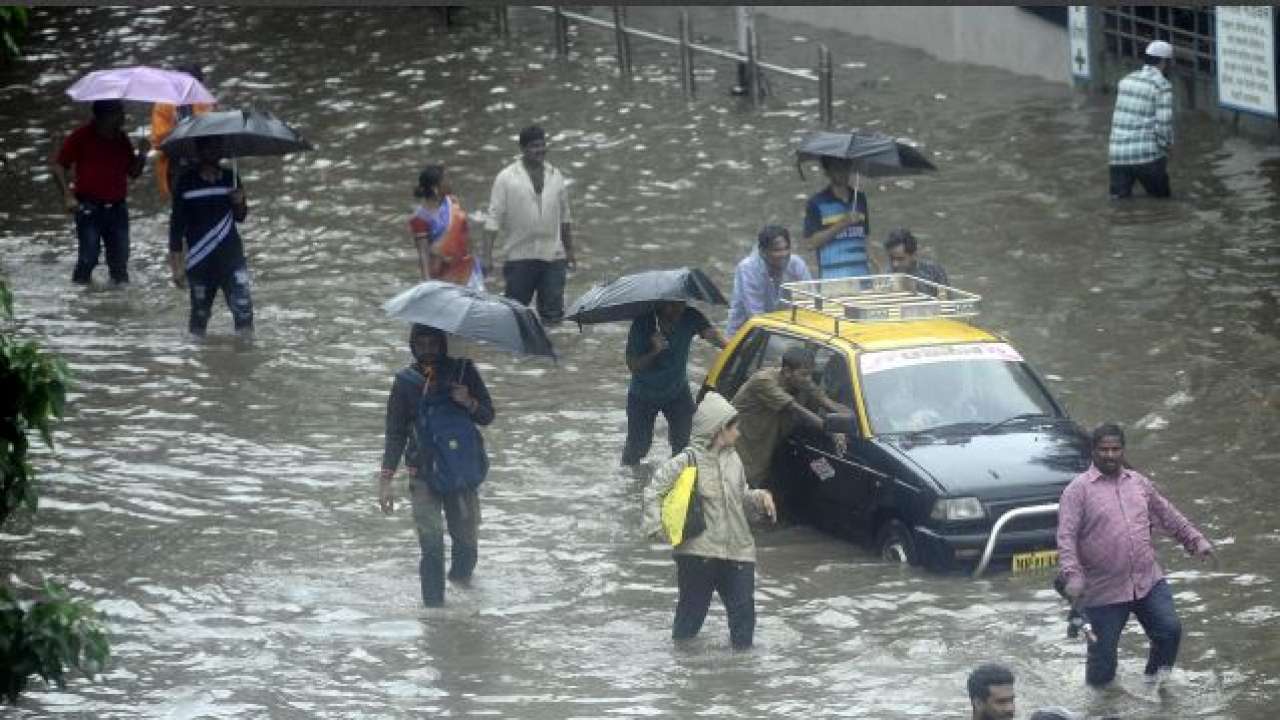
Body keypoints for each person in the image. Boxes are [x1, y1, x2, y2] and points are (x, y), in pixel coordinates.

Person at [1057, 423, 1215, 688]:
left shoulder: (1139, 483)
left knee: (1169, 631)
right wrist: (1073, 576)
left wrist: (1195, 540)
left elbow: (1167, 514)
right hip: (1102, 590)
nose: (1110, 455)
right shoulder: (1077, 491)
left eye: (1115, 449)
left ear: (1123, 450)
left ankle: (1155, 687)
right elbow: (1066, 538)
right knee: (1103, 665)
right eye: (1104, 450)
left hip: (1147, 580)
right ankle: (1099, 706)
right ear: (1093, 451)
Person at [642, 391, 777, 649]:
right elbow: (653, 491)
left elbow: (741, 496)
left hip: (738, 551)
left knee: (744, 621)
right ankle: (683, 666)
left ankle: (742, 671)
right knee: (690, 621)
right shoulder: (686, 460)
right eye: (734, 428)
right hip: (698, 553)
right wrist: (656, 527)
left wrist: (760, 497)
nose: (738, 433)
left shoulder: (734, 460)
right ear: (719, 429)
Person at [379, 324, 494, 608]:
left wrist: (468, 401)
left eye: (433, 344)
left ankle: (463, 591)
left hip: (461, 473)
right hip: (422, 475)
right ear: (413, 347)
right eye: (421, 345)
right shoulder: (405, 382)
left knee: (466, 543)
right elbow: (395, 433)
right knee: (431, 546)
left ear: (442, 345)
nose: (428, 350)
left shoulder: (464, 372)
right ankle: (434, 614)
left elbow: (487, 416)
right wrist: (386, 480)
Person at [731, 347, 847, 518]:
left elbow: (824, 400)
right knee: (737, 494)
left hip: (774, 443)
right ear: (786, 372)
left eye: (810, 374)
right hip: (743, 443)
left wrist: (846, 419)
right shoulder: (764, 381)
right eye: (804, 374)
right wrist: (831, 428)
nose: (808, 379)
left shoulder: (800, 381)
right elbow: (795, 408)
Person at [484, 125, 575, 324]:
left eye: (542, 145)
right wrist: (487, 256)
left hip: (553, 255)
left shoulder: (555, 175)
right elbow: (493, 218)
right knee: (515, 315)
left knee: (553, 315)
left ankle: (551, 344)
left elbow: (565, 217)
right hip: (519, 256)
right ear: (523, 149)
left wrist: (569, 251)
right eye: (534, 146)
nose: (540, 150)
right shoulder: (506, 178)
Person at [51, 99, 147, 285]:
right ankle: (79, 295)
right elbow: (59, 167)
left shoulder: (122, 139)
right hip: (89, 207)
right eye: (119, 113)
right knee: (88, 258)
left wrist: (142, 154)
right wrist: (67, 196)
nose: (123, 117)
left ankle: (118, 300)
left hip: (118, 208)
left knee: (120, 262)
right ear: (103, 116)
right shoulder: (81, 136)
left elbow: (133, 173)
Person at [623, 300, 727, 468]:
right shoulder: (643, 323)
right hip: (643, 394)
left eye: (681, 304)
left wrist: (734, 348)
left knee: (685, 444)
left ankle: (677, 476)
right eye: (671, 305)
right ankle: (629, 480)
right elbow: (633, 365)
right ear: (660, 304)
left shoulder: (690, 316)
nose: (678, 309)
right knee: (638, 448)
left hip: (677, 392)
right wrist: (654, 351)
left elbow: (712, 335)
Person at [168, 136, 252, 337]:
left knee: (244, 312)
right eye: (208, 148)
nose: (214, 152)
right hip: (200, 260)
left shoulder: (230, 178)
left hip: (232, 259)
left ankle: (246, 351)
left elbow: (241, 217)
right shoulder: (186, 182)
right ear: (199, 151)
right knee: (200, 316)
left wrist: (239, 202)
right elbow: (176, 227)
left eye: (217, 147)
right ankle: (198, 354)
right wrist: (177, 267)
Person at [1108, 40, 1175, 199]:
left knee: (1119, 203)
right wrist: (1167, 146)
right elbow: (1164, 124)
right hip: (1147, 155)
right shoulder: (1162, 86)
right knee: (1162, 202)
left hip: (1117, 155)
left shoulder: (1126, 80)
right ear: (1164, 62)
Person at [725, 224, 812, 337]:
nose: (783, 254)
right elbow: (756, 314)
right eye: (777, 250)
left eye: (786, 248)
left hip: (782, 328)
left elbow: (809, 302)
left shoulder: (796, 264)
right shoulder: (748, 269)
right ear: (763, 251)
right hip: (745, 332)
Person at [409, 165, 483, 289]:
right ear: (435, 188)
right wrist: (427, 283)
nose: (450, 182)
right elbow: (423, 253)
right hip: (444, 273)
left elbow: (464, 233)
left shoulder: (452, 202)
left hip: (467, 268)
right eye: (446, 179)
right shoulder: (420, 218)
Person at [803, 156, 876, 279]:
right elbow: (810, 243)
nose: (842, 172)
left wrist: (875, 263)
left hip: (862, 274)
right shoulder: (816, 203)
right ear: (827, 172)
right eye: (837, 168)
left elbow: (866, 236)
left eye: (845, 166)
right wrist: (842, 224)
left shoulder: (860, 198)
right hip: (832, 277)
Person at [150, 62, 214, 200]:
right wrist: (178, 129)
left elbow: (214, 136)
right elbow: (159, 140)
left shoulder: (205, 103)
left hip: (203, 162)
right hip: (176, 166)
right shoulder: (164, 105)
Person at [883, 228, 948, 286]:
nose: (895, 264)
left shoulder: (934, 272)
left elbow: (946, 294)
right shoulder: (887, 275)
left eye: (900, 259)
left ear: (914, 255)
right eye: (891, 258)